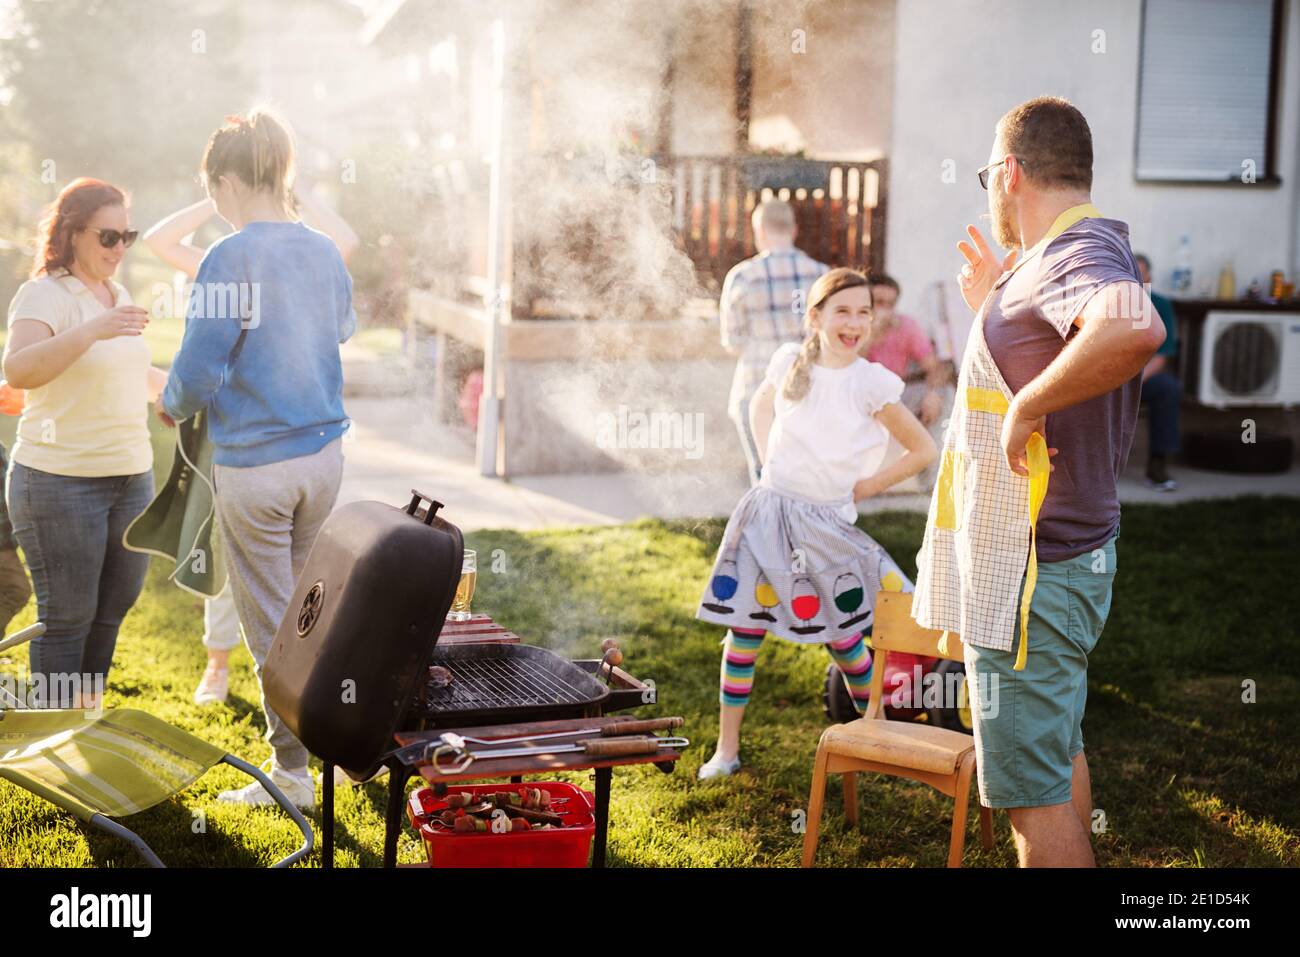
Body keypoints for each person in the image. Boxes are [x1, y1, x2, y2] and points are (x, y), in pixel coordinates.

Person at [911, 96, 1165, 867]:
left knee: (1032, 801)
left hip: (1035, 578)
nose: (988, 187)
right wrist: (994, 302)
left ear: (1011, 172)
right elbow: (1060, 343)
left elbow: (1134, 326)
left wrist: (1025, 406)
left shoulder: (1072, 254)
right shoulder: (1060, 256)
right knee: (1057, 760)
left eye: (989, 173)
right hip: (1061, 563)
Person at [157, 109, 355, 809]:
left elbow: (197, 370)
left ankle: (293, 774)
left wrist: (171, 404)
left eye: (212, 188)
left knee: (273, 619)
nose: (213, 202)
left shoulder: (228, 255)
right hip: (324, 459)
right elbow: (341, 329)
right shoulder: (323, 250)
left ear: (230, 180)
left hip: (258, 469)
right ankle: (334, 745)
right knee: (311, 607)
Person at [695, 268, 938, 779]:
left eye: (864, 312)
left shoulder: (870, 382)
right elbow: (759, 407)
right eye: (842, 311)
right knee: (744, 632)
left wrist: (869, 486)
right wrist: (768, 466)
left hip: (826, 527)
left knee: (846, 638)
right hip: (767, 514)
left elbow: (922, 449)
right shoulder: (789, 361)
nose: (853, 322)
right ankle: (726, 750)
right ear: (816, 317)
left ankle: (875, 735)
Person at [2, 178, 169, 709]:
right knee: (68, 615)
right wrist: (93, 330)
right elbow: (20, 369)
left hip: (130, 479)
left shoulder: (117, 295)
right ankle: (50, 735)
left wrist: (172, 393)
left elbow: (129, 370)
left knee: (112, 606)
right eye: (108, 236)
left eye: (128, 236)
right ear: (73, 232)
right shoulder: (43, 293)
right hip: (56, 481)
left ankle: (83, 716)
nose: (120, 248)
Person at [719, 200, 828, 486]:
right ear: (794, 230)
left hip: (757, 389)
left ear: (760, 231)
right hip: (808, 390)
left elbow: (732, 341)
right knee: (808, 481)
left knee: (764, 478)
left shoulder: (742, 276)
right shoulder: (822, 275)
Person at [861, 273, 949, 490]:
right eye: (878, 303)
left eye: (890, 304)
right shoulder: (856, 326)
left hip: (893, 396)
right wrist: (871, 334)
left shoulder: (905, 326)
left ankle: (931, 482)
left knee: (942, 396)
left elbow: (934, 367)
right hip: (860, 396)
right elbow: (849, 365)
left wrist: (934, 394)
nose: (885, 309)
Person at [1134, 253, 1181, 491]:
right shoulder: (1107, 302)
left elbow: (1162, 356)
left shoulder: (1160, 305)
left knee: (1168, 388)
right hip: (1104, 379)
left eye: (1140, 274)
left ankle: (1157, 465)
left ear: (1149, 277)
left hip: (1140, 380)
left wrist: (1133, 381)